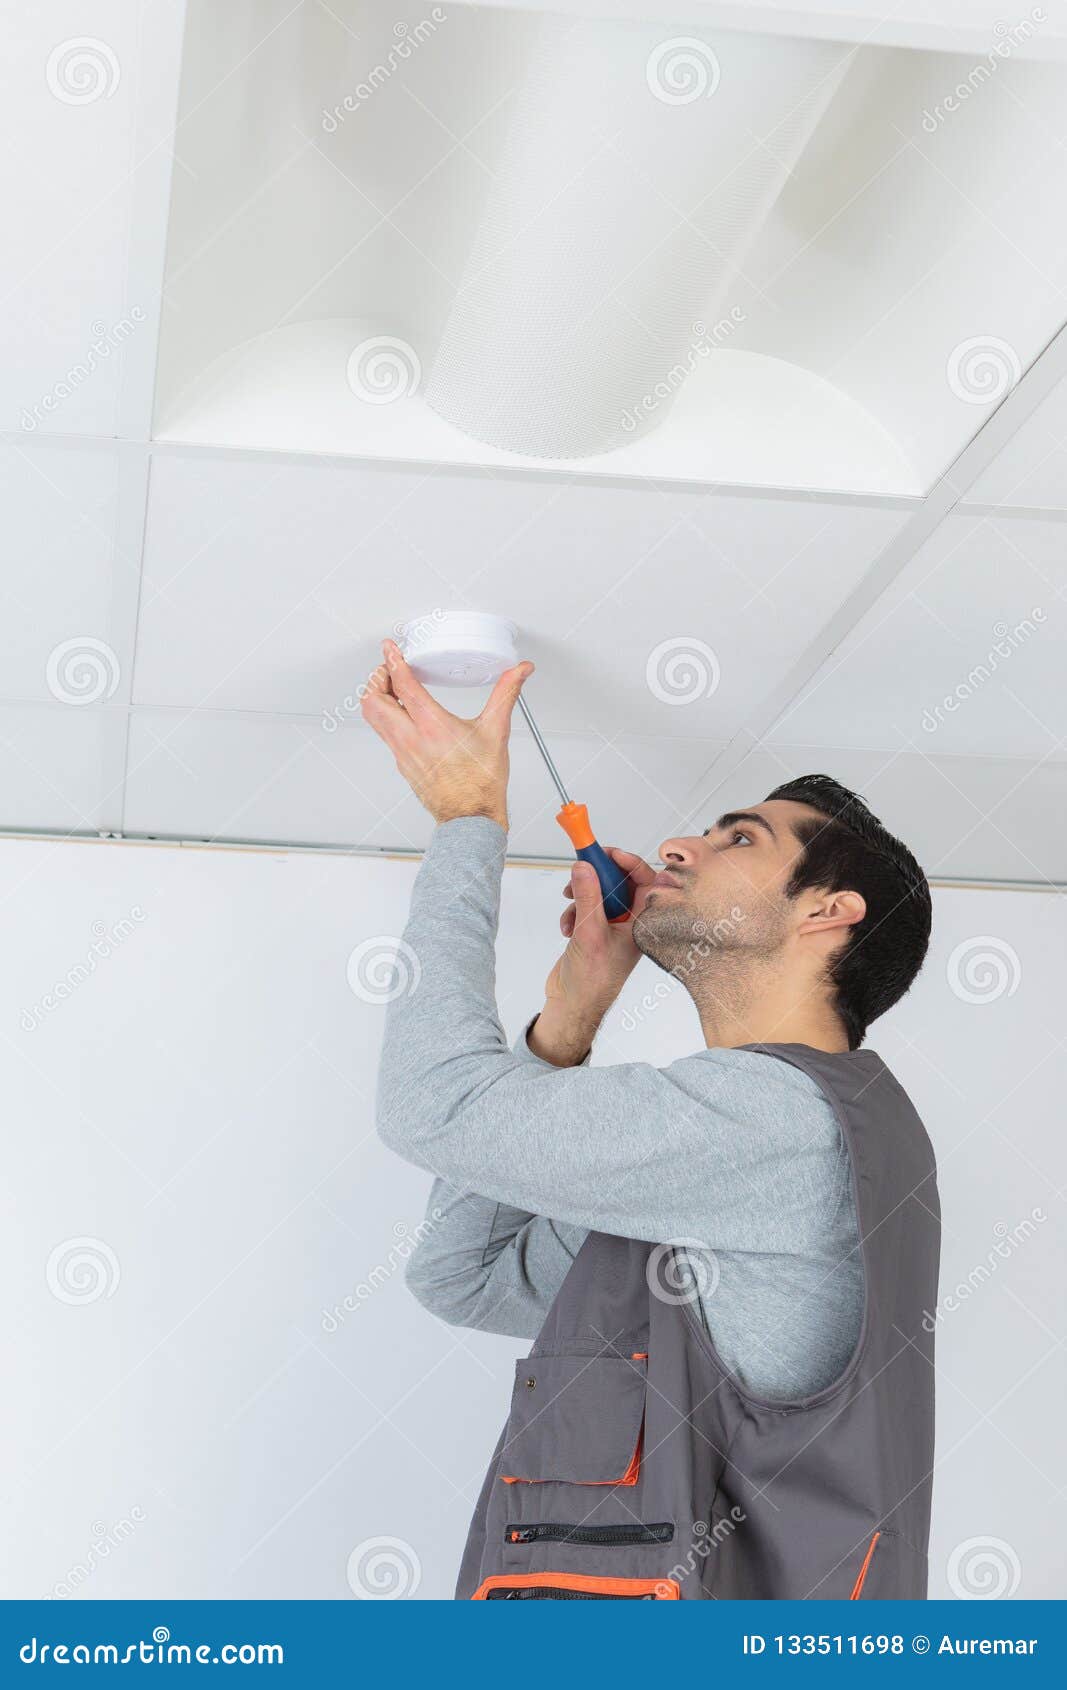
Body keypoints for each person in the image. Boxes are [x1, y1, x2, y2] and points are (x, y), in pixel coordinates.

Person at [362, 638, 940, 1601]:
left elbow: (432, 1107)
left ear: (827, 912)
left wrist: (468, 821)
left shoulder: (771, 1121)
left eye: (740, 839)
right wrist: (568, 1019)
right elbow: (464, 1277)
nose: (677, 847)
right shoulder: (719, 1160)